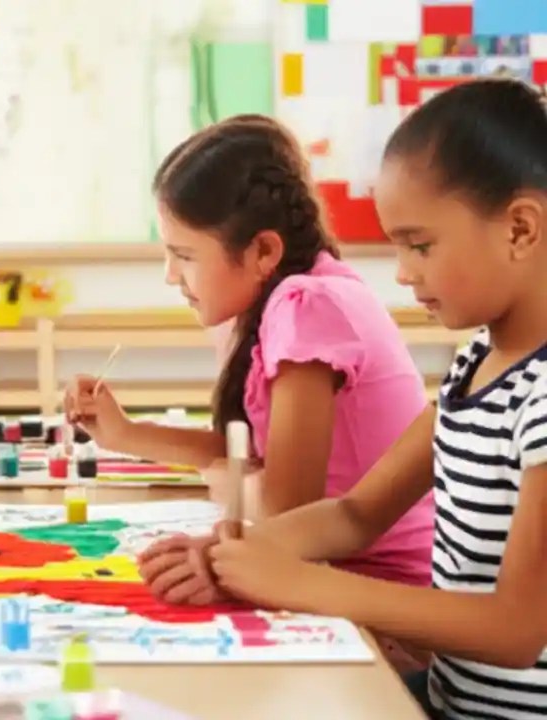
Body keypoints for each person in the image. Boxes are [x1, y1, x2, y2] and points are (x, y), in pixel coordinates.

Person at [150, 80, 547, 720]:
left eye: (420, 245)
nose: (403, 271)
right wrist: (241, 555)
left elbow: (517, 631)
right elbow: (358, 513)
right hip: (445, 701)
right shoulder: (477, 365)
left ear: (521, 229)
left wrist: (310, 586)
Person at [65, 115, 434, 587]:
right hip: (329, 576)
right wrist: (125, 434)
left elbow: (286, 507)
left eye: (185, 255)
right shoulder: (279, 304)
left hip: (377, 596)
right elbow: (254, 453)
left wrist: (233, 482)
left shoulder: (307, 306)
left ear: (264, 251)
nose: (170, 275)